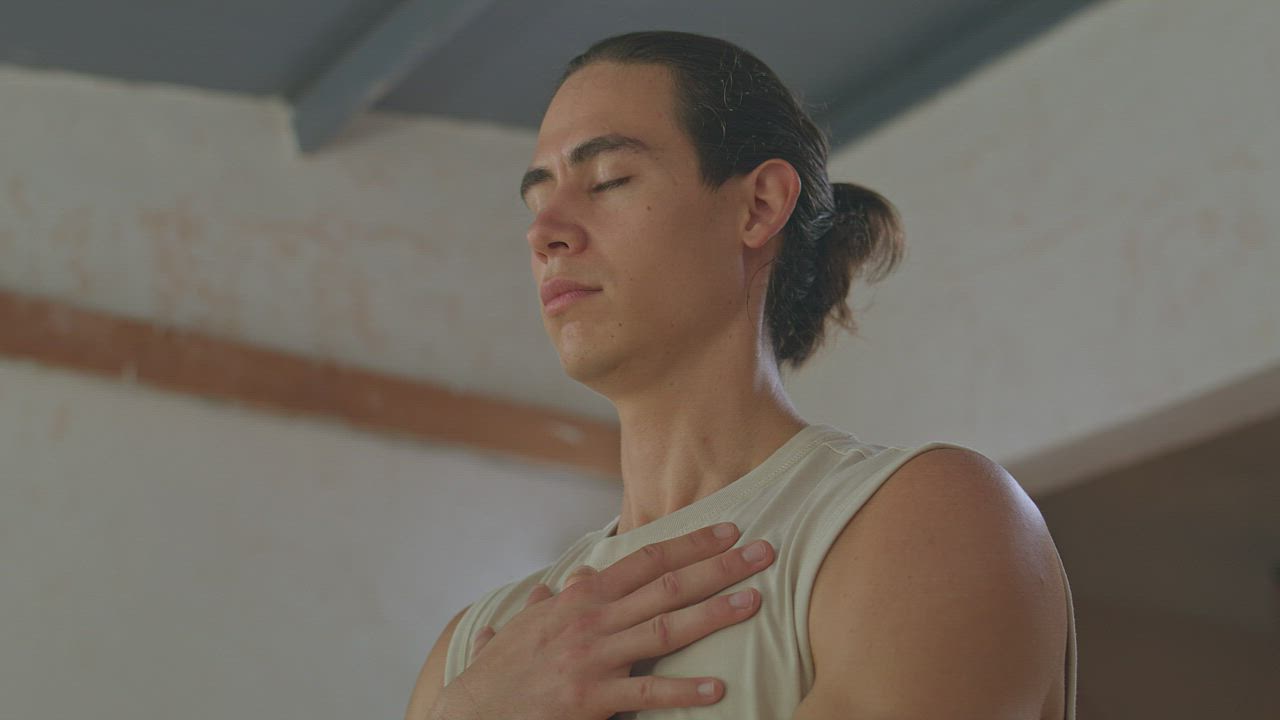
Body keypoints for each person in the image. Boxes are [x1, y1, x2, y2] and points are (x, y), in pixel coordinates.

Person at [405, 30, 1077, 720]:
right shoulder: (473, 654)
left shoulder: (922, 520)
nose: (543, 231)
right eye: (536, 200)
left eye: (608, 180)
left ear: (758, 206)